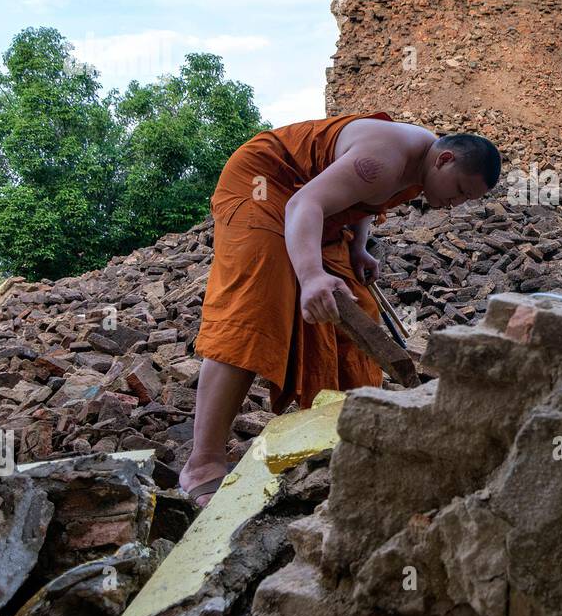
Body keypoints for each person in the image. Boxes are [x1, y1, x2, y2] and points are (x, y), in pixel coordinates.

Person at [179, 111, 499, 504]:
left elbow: (361, 200)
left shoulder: (422, 163)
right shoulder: (384, 158)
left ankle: (344, 448)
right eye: (461, 190)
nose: (457, 204)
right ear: (445, 160)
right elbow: (303, 203)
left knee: (354, 312)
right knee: (256, 310)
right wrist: (311, 277)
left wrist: (358, 247)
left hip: (316, 209)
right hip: (264, 186)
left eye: (468, 199)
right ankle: (202, 464)